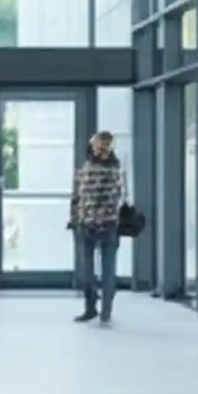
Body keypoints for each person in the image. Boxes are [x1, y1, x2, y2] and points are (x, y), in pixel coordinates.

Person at [69, 130, 126, 324]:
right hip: (91, 224)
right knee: (93, 271)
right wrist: (76, 217)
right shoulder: (89, 168)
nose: (101, 148)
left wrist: (94, 216)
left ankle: (101, 309)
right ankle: (95, 308)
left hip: (102, 224)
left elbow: (112, 197)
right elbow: (78, 196)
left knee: (102, 270)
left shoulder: (110, 169)